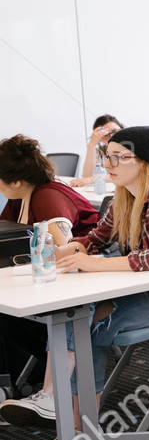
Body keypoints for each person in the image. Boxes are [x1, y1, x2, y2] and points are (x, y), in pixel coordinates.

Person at [0, 128, 149, 440]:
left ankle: (68, 424)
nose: (108, 164)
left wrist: (89, 264)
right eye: (107, 155)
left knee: (89, 329)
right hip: (146, 289)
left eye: (119, 157)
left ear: (144, 162)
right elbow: (98, 238)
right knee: (81, 321)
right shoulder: (124, 196)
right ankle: (71, 424)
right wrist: (70, 250)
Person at [0, 135, 100, 394]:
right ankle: (23, 384)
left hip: (81, 287)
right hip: (48, 280)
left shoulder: (47, 196)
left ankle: (29, 386)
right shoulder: (20, 197)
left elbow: (62, 246)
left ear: (17, 181)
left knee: (9, 316)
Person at [67, 114, 122, 186]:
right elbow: (87, 176)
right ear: (100, 139)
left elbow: (123, 174)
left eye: (115, 131)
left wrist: (91, 179)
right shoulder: (101, 152)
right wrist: (91, 145)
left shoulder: (131, 147)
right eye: (105, 135)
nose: (112, 136)